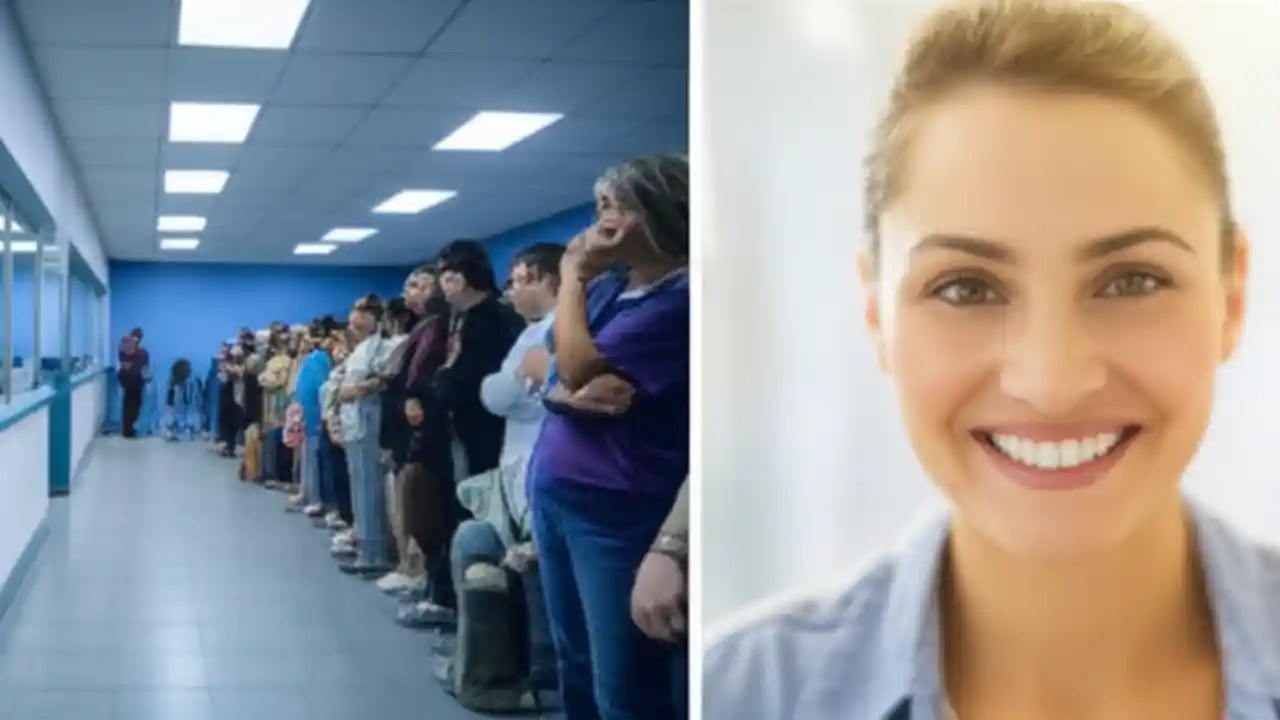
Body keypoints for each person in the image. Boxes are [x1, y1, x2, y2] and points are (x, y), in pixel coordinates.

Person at [702, 2, 1280, 719]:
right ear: (877, 314)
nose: (1051, 384)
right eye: (965, 287)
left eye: (1133, 280)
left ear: (1231, 294)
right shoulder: (737, 696)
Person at [529, 154, 691, 720]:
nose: (601, 217)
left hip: (616, 509)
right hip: (555, 496)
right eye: (599, 204)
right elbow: (557, 374)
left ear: (659, 211)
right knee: (572, 663)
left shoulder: (684, 302)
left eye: (616, 204)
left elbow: (574, 369)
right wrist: (567, 389)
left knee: (623, 684)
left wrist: (573, 272)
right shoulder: (611, 289)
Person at [337, 295, 394, 576]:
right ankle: (363, 545)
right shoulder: (359, 349)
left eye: (363, 314)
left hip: (369, 422)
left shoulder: (385, 346)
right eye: (354, 314)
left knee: (370, 487)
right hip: (353, 424)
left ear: (377, 318)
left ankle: (374, 552)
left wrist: (358, 389)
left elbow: (387, 378)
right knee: (358, 487)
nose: (356, 320)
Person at [117, 327, 150, 438]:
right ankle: (129, 430)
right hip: (132, 379)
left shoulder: (126, 348)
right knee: (132, 404)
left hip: (130, 379)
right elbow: (141, 365)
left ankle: (129, 429)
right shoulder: (137, 351)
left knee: (131, 404)